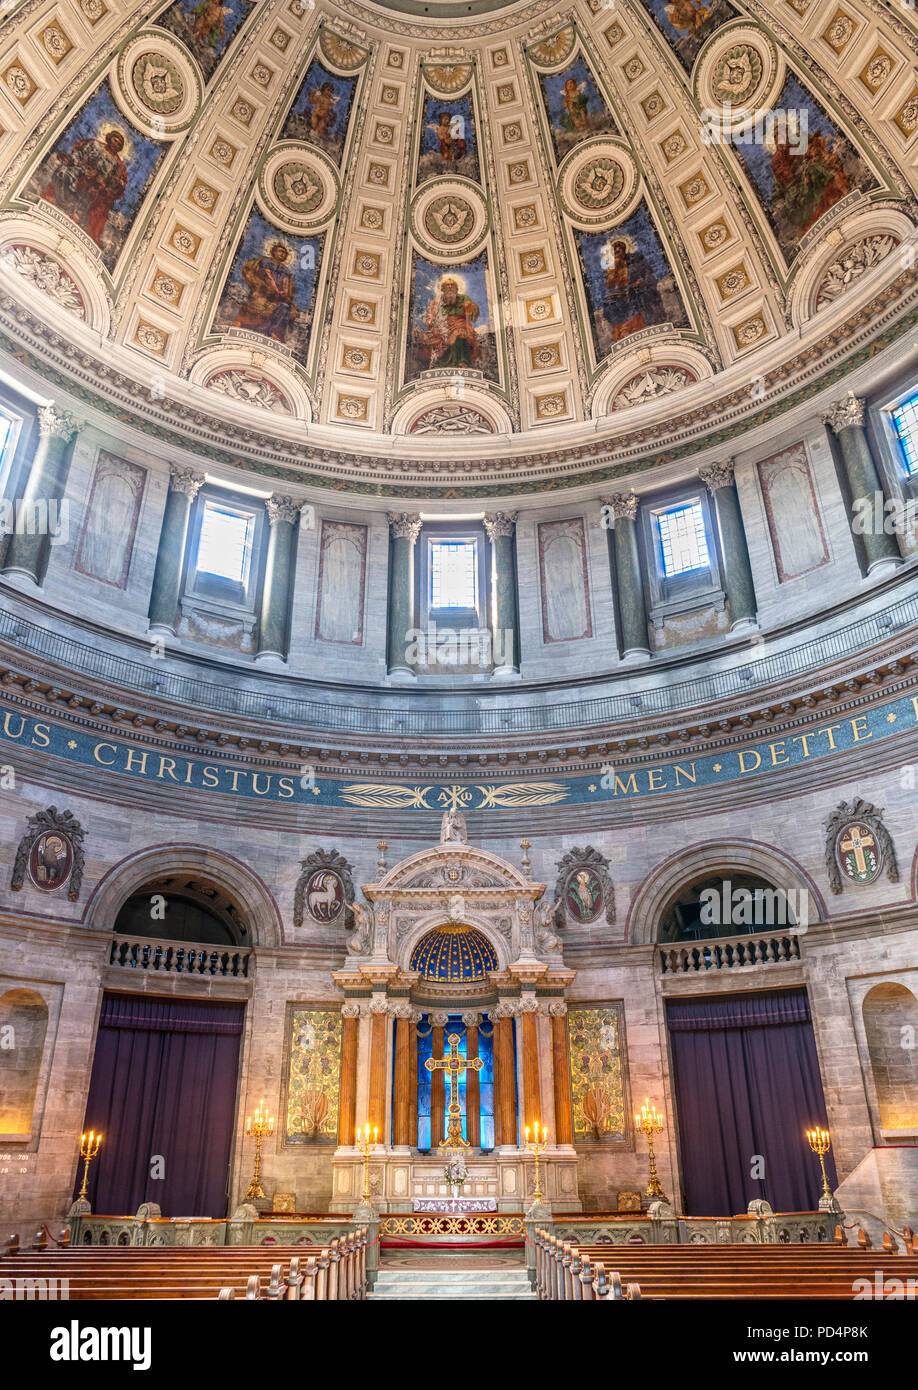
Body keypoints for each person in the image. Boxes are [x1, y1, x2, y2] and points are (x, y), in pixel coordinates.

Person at [44, 127, 128, 247]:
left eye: (119, 144)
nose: (115, 144)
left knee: (94, 192)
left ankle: (76, 213)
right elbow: (80, 155)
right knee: (62, 173)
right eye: (115, 140)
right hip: (82, 170)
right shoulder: (94, 145)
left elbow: (116, 186)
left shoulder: (117, 164)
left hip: (98, 183)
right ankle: (61, 202)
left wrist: (112, 180)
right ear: (109, 138)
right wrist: (73, 161)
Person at [233, 241, 300, 342]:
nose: (283, 254)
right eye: (280, 251)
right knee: (256, 300)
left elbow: (285, 282)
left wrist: (284, 293)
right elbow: (269, 278)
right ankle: (240, 322)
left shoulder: (285, 269)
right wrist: (276, 290)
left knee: (285, 308)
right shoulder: (266, 262)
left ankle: (274, 331)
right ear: (273, 251)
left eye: (285, 253)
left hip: (277, 295)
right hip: (264, 289)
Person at [601, 238, 666, 342]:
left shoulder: (636, 261)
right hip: (622, 293)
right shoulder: (613, 266)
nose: (617, 254)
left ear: (624, 250)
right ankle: (620, 331)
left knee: (635, 298)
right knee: (612, 304)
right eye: (614, 252)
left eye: (619, 251)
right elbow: (610, 285)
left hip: (638, 289)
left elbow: (648, 275)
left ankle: (634, 327)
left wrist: (640, 282)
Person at [422, 277, 480, 369]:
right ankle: (437, 363)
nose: (449, 287)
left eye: (452, 285)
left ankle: (462, 361)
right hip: (443, 324)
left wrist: (470, 306)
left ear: (456, 288)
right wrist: (433, 326)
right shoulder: (436, 301)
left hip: (460, 323)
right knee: (438, 338)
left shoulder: (464, 298)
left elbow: (474, 310)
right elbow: (431, 315)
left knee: (460, 334)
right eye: (447, 285)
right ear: (443, 289)